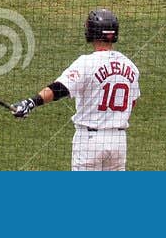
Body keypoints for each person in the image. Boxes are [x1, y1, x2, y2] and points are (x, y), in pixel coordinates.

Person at [10, 9, 140, 171]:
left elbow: (60, 88)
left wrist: (31, 102)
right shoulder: (130, 67)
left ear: (91, 32)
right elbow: (132, 102)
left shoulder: (87, 62)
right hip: (118, 141)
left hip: (90, 141)